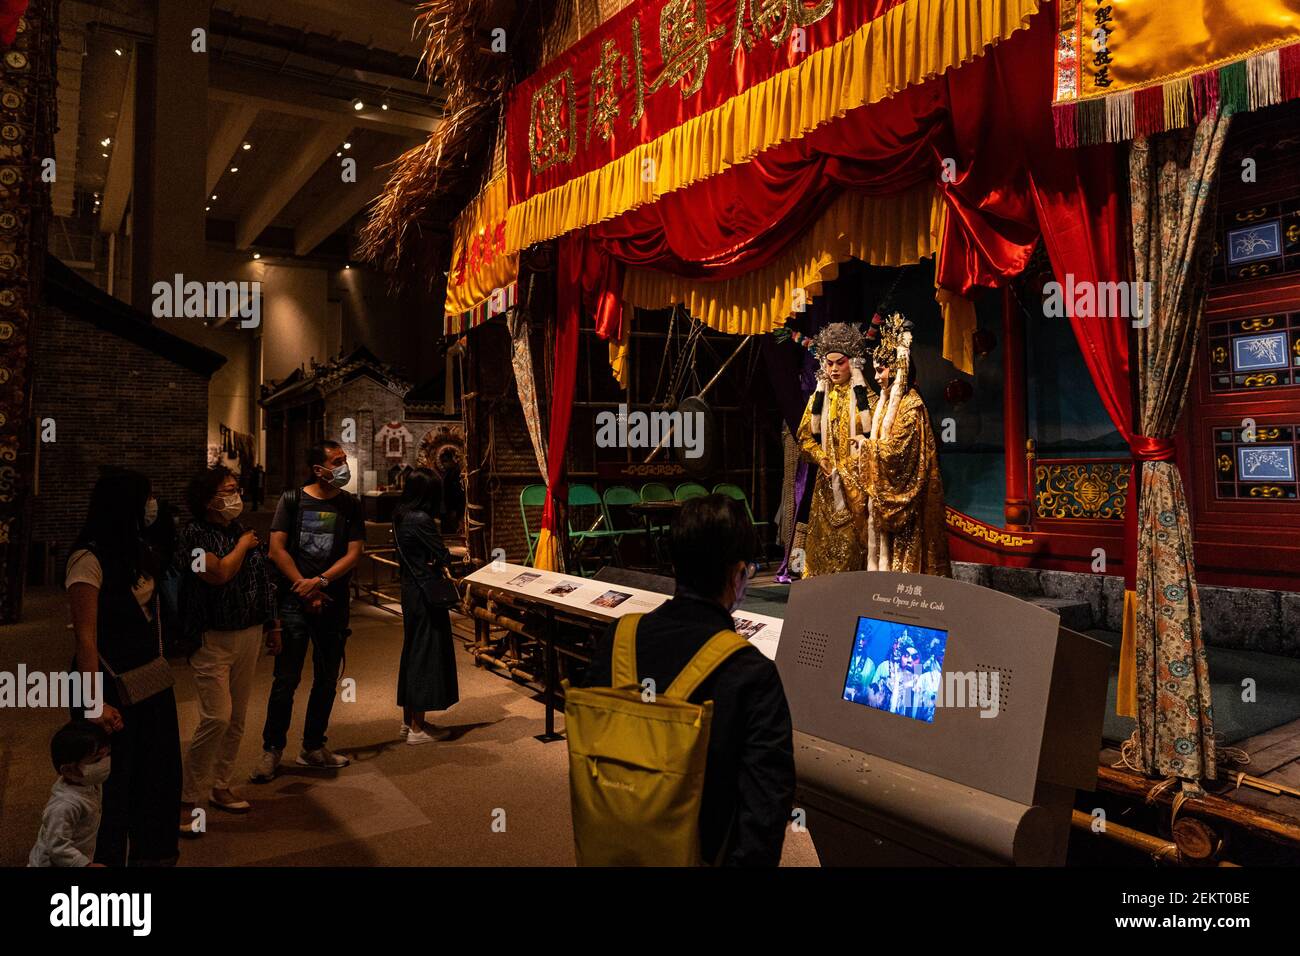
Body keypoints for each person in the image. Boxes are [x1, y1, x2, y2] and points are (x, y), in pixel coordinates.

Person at [578, 495, 796, 866]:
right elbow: (764, 814)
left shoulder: (617, 640)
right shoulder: (751, 674)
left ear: (674, 564)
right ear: (738, 575)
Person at [65, 468, 182, 866]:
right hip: (108, 683)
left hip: (149, 679)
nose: (153, 505)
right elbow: (86, 638)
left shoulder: (137, 548)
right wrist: (94, 703)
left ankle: (151, 854)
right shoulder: (87, 558)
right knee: (113, 780)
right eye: (148, 497)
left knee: (155, 774)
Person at [176, 466, 281, 833]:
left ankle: (221, 785)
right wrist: (242, 546)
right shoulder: (191, 536)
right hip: (211, 638)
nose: (236, 497)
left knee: (237, 718)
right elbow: (216, 573)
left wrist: (273, 624)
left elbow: (263, 581)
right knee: (215, 717)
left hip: (249, 631)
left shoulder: (240, 530)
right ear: (208, 498)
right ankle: (188, 797)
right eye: (229, 491)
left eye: (237, 490)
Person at [253, 440, 365, 780]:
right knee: (286, 679)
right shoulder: (291, 500)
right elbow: (276, 549)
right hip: (293, 604)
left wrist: (320, 582)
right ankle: (271, 751)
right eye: (337, 461)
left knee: (327, 679)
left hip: (332, 601)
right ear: (319, 469)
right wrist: (303, 585)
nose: (344, 467)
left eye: (344, 460)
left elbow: (354, 552)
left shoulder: (350, 504)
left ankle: (313, 746)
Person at [855, 312, 951, 575]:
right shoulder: (886, 404)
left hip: (909, 506)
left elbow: (899, 453)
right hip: (887, 500)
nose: (876, 377)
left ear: (896, 368)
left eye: (880, 370)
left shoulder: (911, 405)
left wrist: (866, 449)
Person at [796, 323, 872, 577]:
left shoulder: (867, 400)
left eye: (840, 363)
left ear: (853, 362)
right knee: (820, 554)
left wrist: (854, 463)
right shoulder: (818, 399)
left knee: (852, 553)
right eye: (829, 364)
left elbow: (877, 441)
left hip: (857, 491)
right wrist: (822, 458)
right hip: (825, 490)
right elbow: (805, 439)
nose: (834, 369)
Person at [392, 467, 460, 744]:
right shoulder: (421, 519)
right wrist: (449, 555)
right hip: (424, 592)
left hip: (410, 589)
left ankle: (409, 722)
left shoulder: (401, 515)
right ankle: (418, 730)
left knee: (413, 651)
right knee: (424, 654)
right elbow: (441, 554)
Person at [28, 720, 111, 867]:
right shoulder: (64, 806)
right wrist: (85, 865)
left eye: (107, 755)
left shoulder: (89, 781)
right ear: (68, 770)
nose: (105, 762)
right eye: (97, 760)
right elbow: (57, 847)